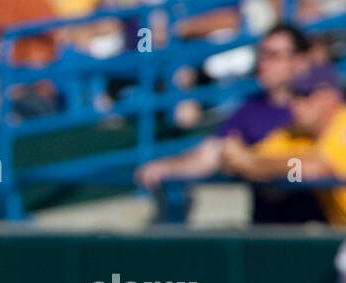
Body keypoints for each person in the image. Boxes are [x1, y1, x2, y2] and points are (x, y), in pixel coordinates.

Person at [135, 23, 319, 224]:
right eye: (262, 55)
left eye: (274, 56)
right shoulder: (250, 108)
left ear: (300, 61)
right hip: (267, 233)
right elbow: (210, 154)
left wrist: (251, 163)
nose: (264, 64)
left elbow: (314, 169)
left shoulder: (324, 106)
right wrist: (167, 168)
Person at [220, 63, 346, 225]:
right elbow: (241, 160)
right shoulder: (298, 133)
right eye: (293, 95)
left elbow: (315, 170)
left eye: (305, 95)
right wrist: (247, 162)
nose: (295, 104)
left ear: (330, 97)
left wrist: (251, 163)